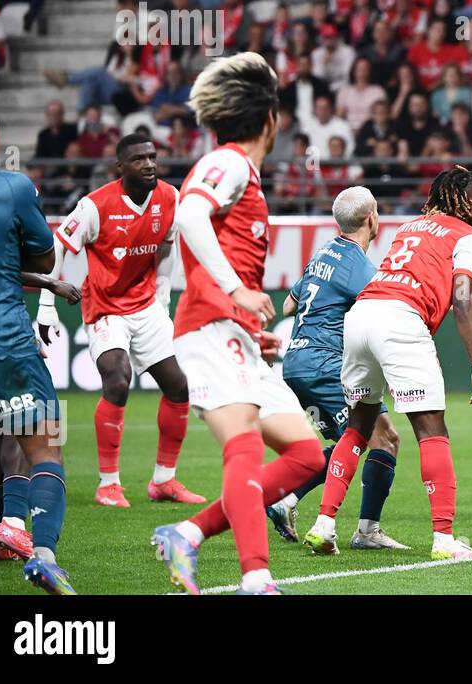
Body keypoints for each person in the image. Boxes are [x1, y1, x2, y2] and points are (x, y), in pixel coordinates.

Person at [151, 54, 325, 596]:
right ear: (271, 119)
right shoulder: (227, 163)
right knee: (245, 444)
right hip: (208, 325)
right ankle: (256, 578)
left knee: (306, 455)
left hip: (236, 333)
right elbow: (188, 214)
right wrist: (236, 292)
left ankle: (187, 533)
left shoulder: (242, 172)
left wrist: (249, 324)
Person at [37, 133, 204, 508]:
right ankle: (108, 485)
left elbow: (167, 246)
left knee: (179, 385)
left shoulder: (169, 197)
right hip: (106, 306)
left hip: (146, 305)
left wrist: (163, 293)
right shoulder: (95, 206)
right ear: (120, 166)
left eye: (152, 157)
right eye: (139, 159)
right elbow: (57, 247)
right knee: (117, 377)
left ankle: (164, 480)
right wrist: (47, 306)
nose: (149, 164)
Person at [336, 167, 472, 561]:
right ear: (464, 202)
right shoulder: (468, 236)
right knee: (431, 430)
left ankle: (324, 524)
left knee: (359, 425)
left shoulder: (410, 226)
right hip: (400, 319)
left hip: (361, 315)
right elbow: (462, 297)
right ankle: (444, 539)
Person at [0, 99, 76, 593]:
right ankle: (44, 555)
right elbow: (45, 256)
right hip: (1, 333)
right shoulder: (13, 186)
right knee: (44, 444)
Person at [267, 187, 407, 553]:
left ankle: (286, 500)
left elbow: (288, 307)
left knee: (349, 442)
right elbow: (379, 320)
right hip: (326, 364)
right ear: (371, 218)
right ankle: (366, 531)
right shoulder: (361, 268)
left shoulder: (322, 254)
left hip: (296, 366)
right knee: (383, 439)